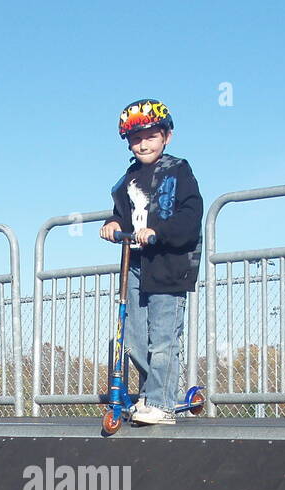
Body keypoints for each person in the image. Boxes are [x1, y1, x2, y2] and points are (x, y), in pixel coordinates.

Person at [99, 99, 203, 425]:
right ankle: (151, 394)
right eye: (136, 138)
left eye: (151, 136)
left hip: (169, 266)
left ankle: (161, 403)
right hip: (135, 265)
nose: (143, 144)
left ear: (166, 136)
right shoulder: (127, 180)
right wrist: (114, 224)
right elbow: (123, 214)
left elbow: (191, 216)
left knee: (163, 339)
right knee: (132, 340)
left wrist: (158, 231)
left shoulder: (178, 171)